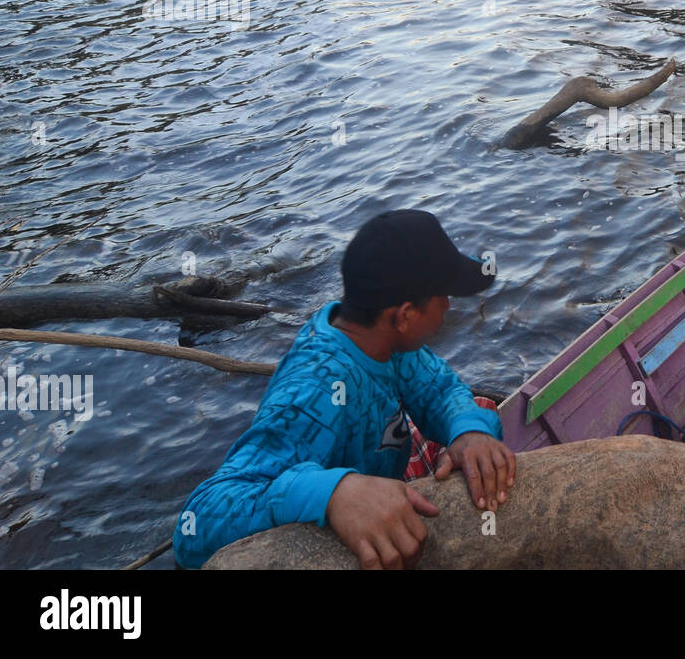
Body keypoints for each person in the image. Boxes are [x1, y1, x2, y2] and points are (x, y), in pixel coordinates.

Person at [173, 209, 515, 569]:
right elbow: (194, 528)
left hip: (380, 477)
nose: (449, 305)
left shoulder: (380, 339)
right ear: (404, 317)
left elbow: (441, 389)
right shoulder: (313, 394)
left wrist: (468, 430)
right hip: (332, 531)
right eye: (443, 297)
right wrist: (333, 493)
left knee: (479, 411)